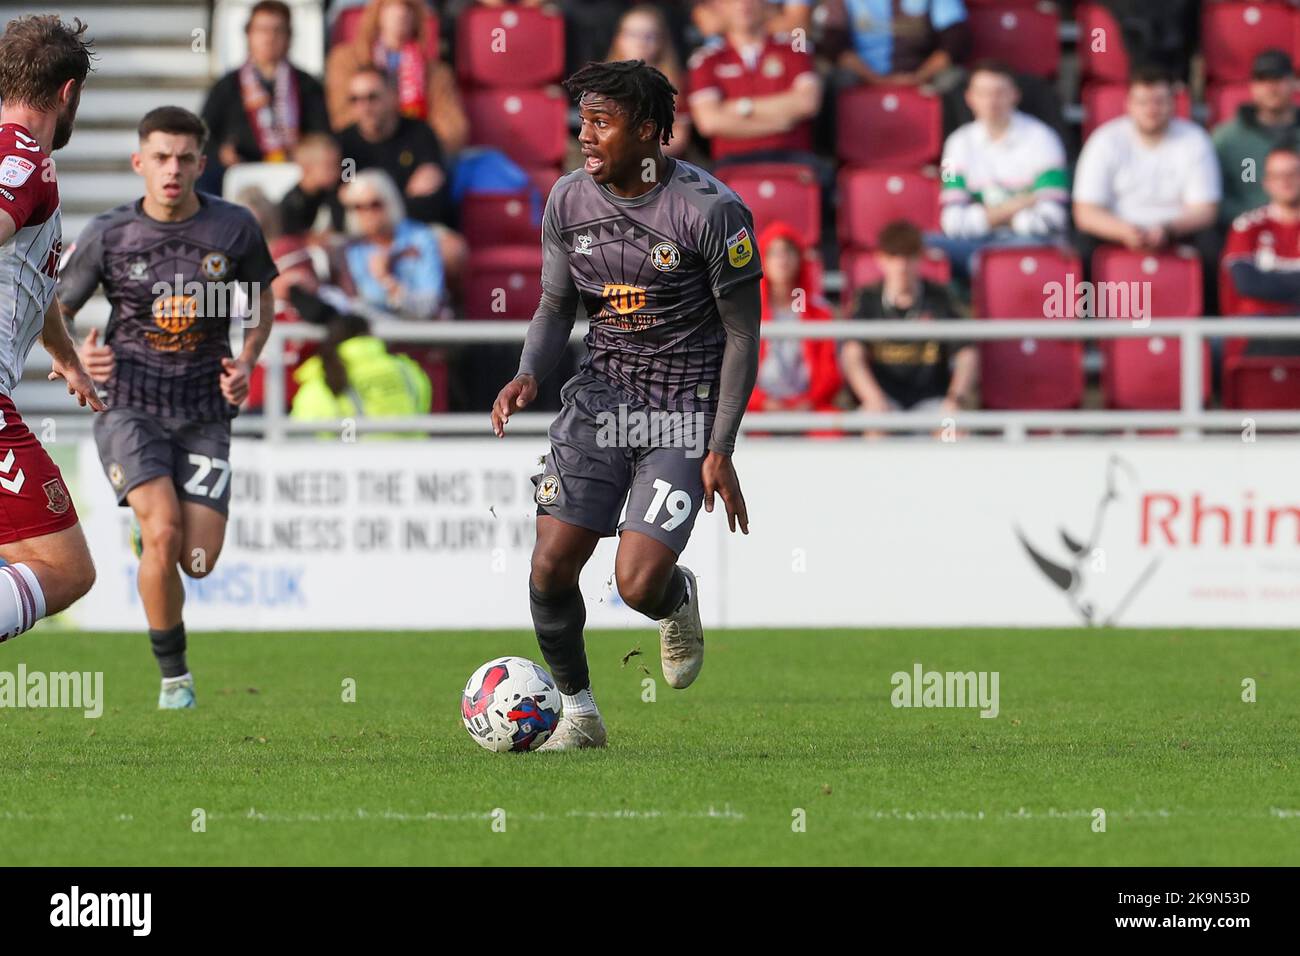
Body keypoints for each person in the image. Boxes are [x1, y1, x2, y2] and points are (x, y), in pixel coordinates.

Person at [490, 60, 763, 750]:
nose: (586, 135)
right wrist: (527, 374)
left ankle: (676, 597)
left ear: (648, 130)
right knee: (550, 564)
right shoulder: (567, 201)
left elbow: (742, 334)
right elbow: (557, 305)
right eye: (582, 120)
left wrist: (720, 445)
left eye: (602, 122)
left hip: (681, 407)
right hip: (601, 400)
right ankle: (578, 712)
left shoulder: (711, 211)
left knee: (637, 585)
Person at [58, 107, 278, 709]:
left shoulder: (235, 227)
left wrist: (249, 358)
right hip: (129, 403)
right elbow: (58, 310)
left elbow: (261, 296)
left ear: (201, 164)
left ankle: (154, 541)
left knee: (198, 560)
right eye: (160, 157)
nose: (172, 169)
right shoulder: (109, 233)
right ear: (139, 163)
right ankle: (175, 678)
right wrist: (77, 359)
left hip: (206, 407)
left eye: (184, 158)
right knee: (163, 534)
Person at [0, 15, 103, 645]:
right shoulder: (23, 155)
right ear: (68, 93)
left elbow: (31, 286)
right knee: (64, 569)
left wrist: (64, 356)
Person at [1073, 65, 1221, 304]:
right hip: (1118, 228)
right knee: (1080, 250)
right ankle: (1088, 332)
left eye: (1160, 101)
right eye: (1143, 102)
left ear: (1174, 104)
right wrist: (1124, 231)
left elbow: (1206, 210)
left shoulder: (1195, 140)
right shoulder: (1104, 140)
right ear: (1129, 104)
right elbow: (1085, 212)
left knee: (1212, 246)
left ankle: (1211, 330)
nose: (1151, 110)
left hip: (1176, 229)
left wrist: (1166, 230)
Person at [930, 62, 1069, 281]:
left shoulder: (1045, 139)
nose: (991, 101)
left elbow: (1051, 220)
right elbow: (951, 220)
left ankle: (990, 272)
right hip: (973, 245)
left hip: (1027, 245)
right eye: (983, 93)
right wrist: (1020, 205)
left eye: (999, 93)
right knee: (922, 245)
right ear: (970, 98)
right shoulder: (954, 144)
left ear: (1014, 95)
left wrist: (982, 218)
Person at [840, 221, 975, 435]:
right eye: (894, 257)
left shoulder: (940, 298)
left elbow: (966, 354)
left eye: (908, 257)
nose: (901, 266)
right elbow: (852, 355)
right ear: (880, 259)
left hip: (933, 403)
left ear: (919, 258)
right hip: (886, 402)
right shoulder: (867, 299)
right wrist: (872, 397)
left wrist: (954, 400)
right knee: (872, 426)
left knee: (955, 430)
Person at [198, 0, 329, 193]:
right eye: (262, 30)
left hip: (296, 178)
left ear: (289, 37)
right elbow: (203, 133)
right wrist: (221, 153)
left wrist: (307, 151)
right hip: (238, 172)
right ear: (249, 35)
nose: (270, 37)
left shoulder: (308, 86)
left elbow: (323, 134)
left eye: (278, 30)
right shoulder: (227, 86)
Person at [687, 0, 822, 165]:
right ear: (720, 7)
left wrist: (735, 108)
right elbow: (708, 122)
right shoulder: (706, 60)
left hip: (792, 160)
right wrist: (779, 123)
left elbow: (807, 103)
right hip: (732, 164)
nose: (743, 5)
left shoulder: (794, 48)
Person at [325, 0, 468, 156]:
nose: (400, 14)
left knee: (486, 161)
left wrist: (421, 149)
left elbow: (452, 127)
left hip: (419, 155)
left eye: (408, 8)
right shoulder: (346, 61)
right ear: (377, 14)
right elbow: (342, 116)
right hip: (364, 155)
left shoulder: (437, 72)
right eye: (391, 7)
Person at [287, 286, 432, 431]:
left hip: (351, 451)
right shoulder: (406, 370)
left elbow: (306, 436)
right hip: (408, 451)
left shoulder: (322, 383)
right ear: (369, 332)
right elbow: (421, 406)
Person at [336, 66, 450, 225]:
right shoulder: (346, 143)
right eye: (355, 99)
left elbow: (430, 199)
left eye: (372, 97)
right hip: (363, 236)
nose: (364, 107)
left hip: (414, 230)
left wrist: (370, 205)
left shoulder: (419, 134)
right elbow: (343, 201)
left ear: (393, 97)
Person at [748, 221, 841, 412]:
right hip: (758, 409)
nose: (782, 259)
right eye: (773, 253)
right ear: (763, 260)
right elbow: (734, 373)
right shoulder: (746, 313)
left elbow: (830, 371)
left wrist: (809, 401)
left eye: (788, 251)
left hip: (808, 407)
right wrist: (762, 402)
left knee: (832, 432)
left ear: (800, 259)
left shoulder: (820, 313)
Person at [1220, 145, 1300, 357]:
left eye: (1292, 173)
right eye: (1277, 175)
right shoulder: (1247, 226)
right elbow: (1246, 284)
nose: (1285, 181)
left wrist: (1270, 281)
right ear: (1266, 182)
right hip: (1255, 326)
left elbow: (1259, 283)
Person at [338, 168, 447, 321]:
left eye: (375, 205)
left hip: (420, 331)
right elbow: (355, 305)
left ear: (390, 202)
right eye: (359, 207)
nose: (367, 214)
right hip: (375, 331)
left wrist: (386, 280)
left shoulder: (420, 238)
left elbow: (429, 306)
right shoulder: (351, 249)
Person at [1213, 50, 1300, 228]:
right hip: (1246, 232)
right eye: (1263, 80)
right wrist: (1253, 220)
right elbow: (1212, 197)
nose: (1271, 87)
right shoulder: (1227, 139)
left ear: (1294, 82)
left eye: (1278, 79)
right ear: (1252, 86)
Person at [607, 4, 692, 158]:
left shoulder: (676, 83)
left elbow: (679, 137)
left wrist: (641, 153)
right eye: (633, 34)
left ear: (661, 41)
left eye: (650, 36)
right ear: (619, 39)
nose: (641, 41)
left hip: (662, 163)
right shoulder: (603, 83)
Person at [278, 133, 347, 235]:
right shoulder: (291, 205)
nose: (337, 172)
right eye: (329, 166)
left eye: (338, 164)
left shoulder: (336, 194)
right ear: (306, 167)